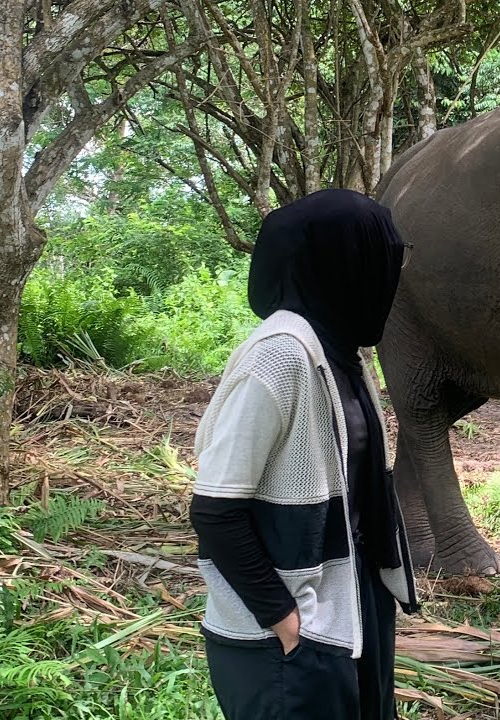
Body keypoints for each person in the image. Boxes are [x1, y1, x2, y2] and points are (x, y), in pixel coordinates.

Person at [189, 189, 419, 720]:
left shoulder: (341, 354)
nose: (392, 273)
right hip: (290, 631)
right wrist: (287, 622)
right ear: (344, 264)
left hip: (351, 605)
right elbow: (216, 510)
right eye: (382, 257)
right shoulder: (280, 357)